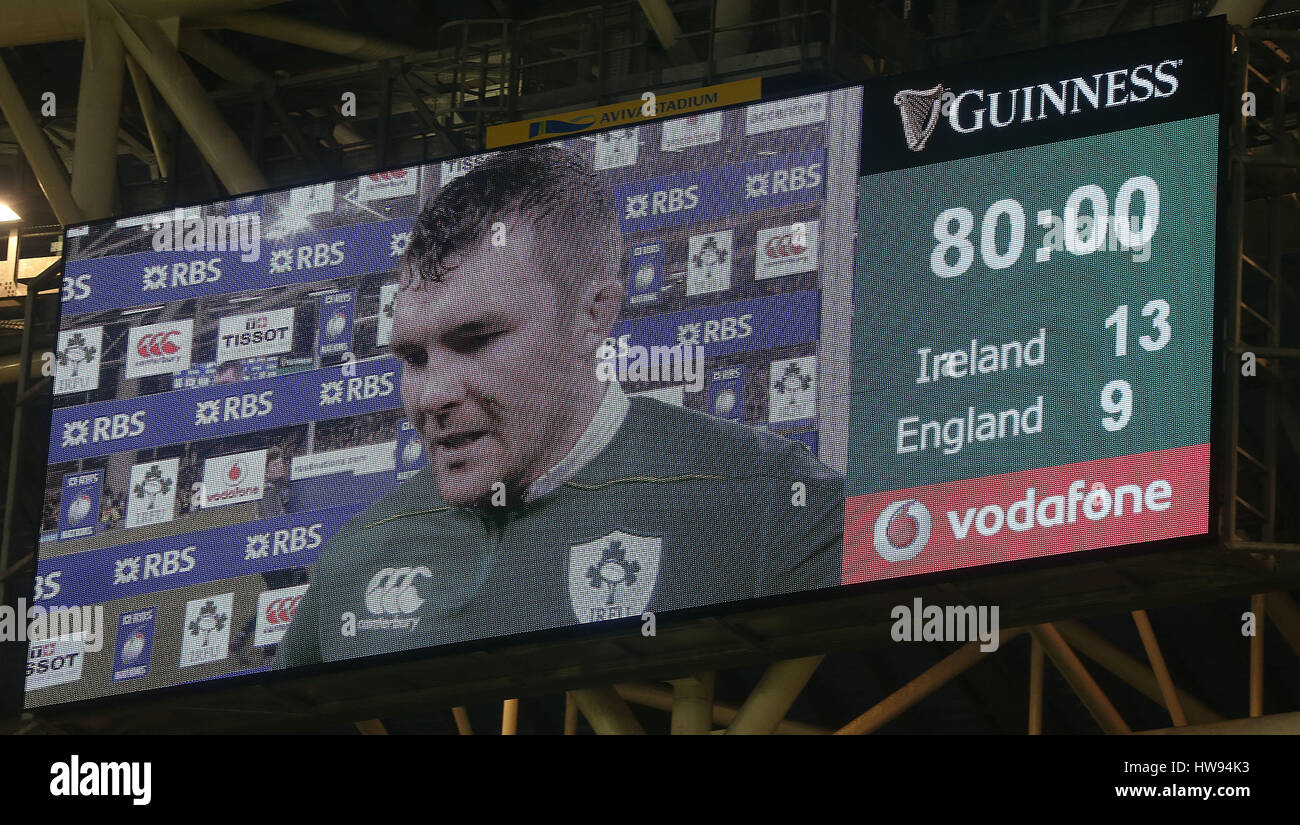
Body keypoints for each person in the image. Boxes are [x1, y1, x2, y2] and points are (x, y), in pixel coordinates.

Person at [273, 144, 844, 668]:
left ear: (593, 313)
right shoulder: (360, 558)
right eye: (414, 358)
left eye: (476, 341)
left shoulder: (768, 502)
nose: (433, 396)